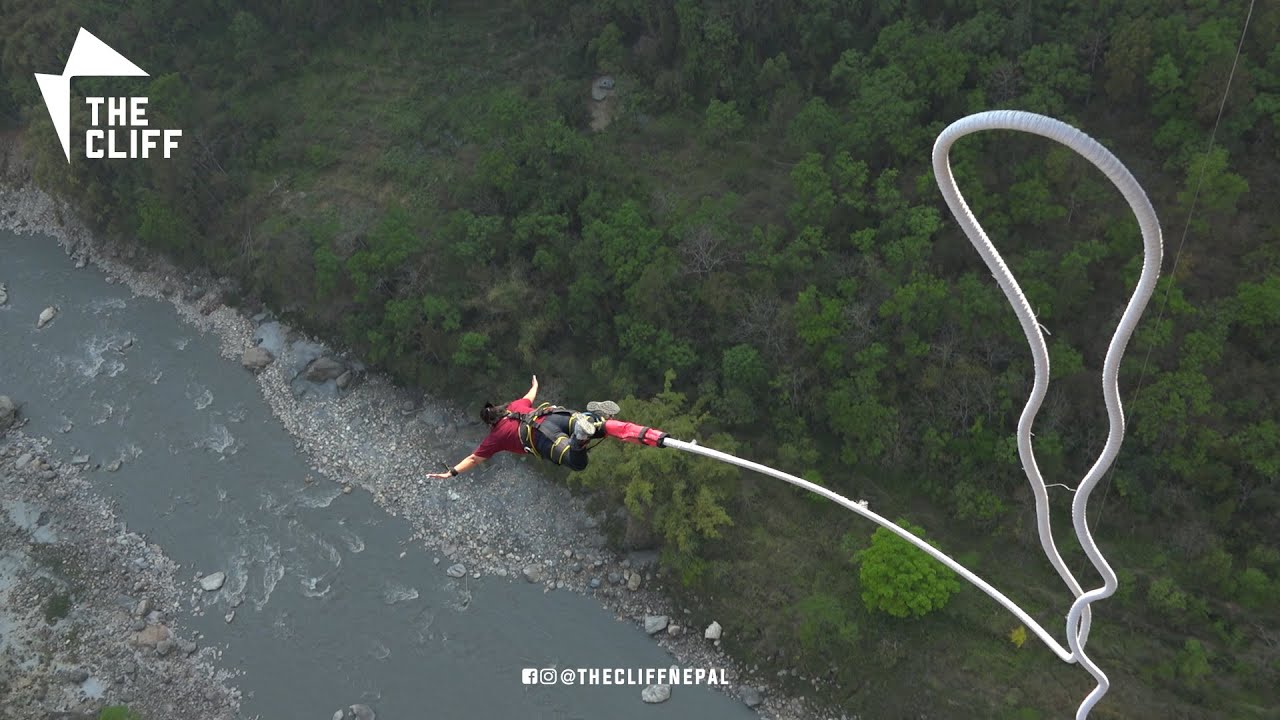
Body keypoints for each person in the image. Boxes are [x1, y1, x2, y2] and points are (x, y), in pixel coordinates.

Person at [426, 374, 668, 480]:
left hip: (542, 437)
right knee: (603, 427)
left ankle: (581, 437)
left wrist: (452, 472)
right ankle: (644, 433)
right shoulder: (516, 405)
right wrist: (535, 383)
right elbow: (530, 394)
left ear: (490, 422)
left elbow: (474, 458)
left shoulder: (496, 436)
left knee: (578, 461)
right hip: (556, 414)